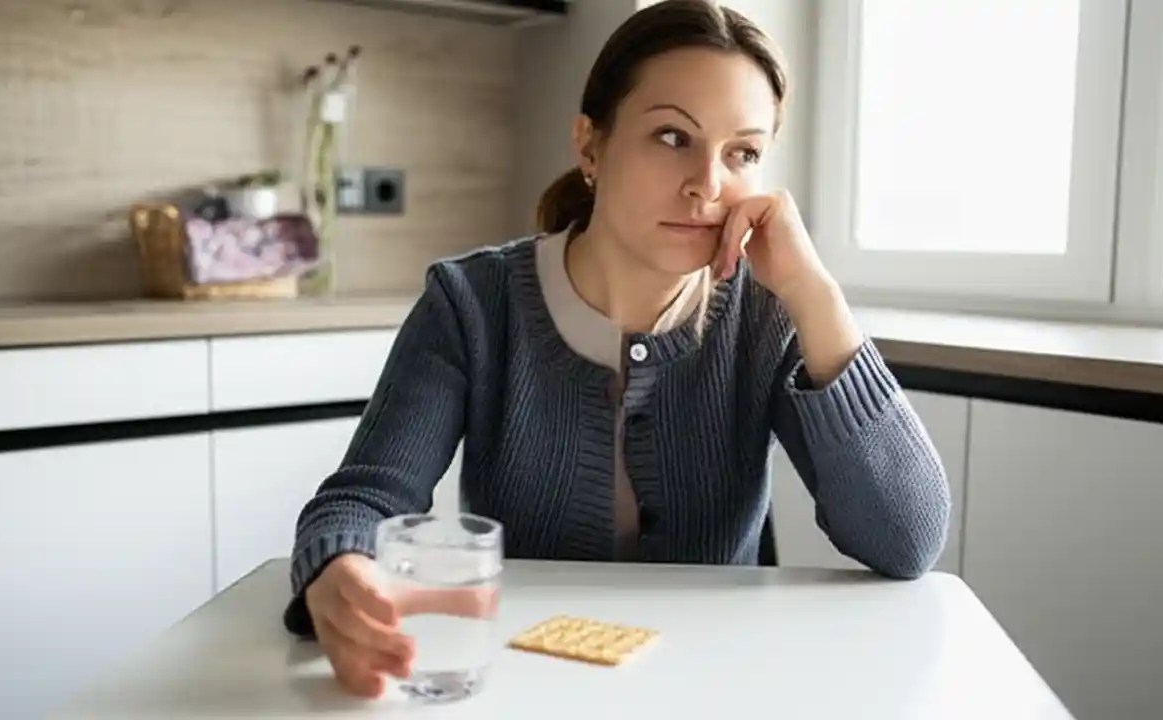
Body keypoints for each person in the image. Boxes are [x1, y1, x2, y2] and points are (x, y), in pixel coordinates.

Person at [284, 0, 951, 698]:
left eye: (743, 153)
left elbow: (906, 542)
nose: (707, 184)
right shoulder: (471, 304)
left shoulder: (768, 317)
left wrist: (816, 295)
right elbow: (364, 498)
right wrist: (340, 570)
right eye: (672, 137)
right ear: (590, 145)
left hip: (721, 688)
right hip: (528, 687)